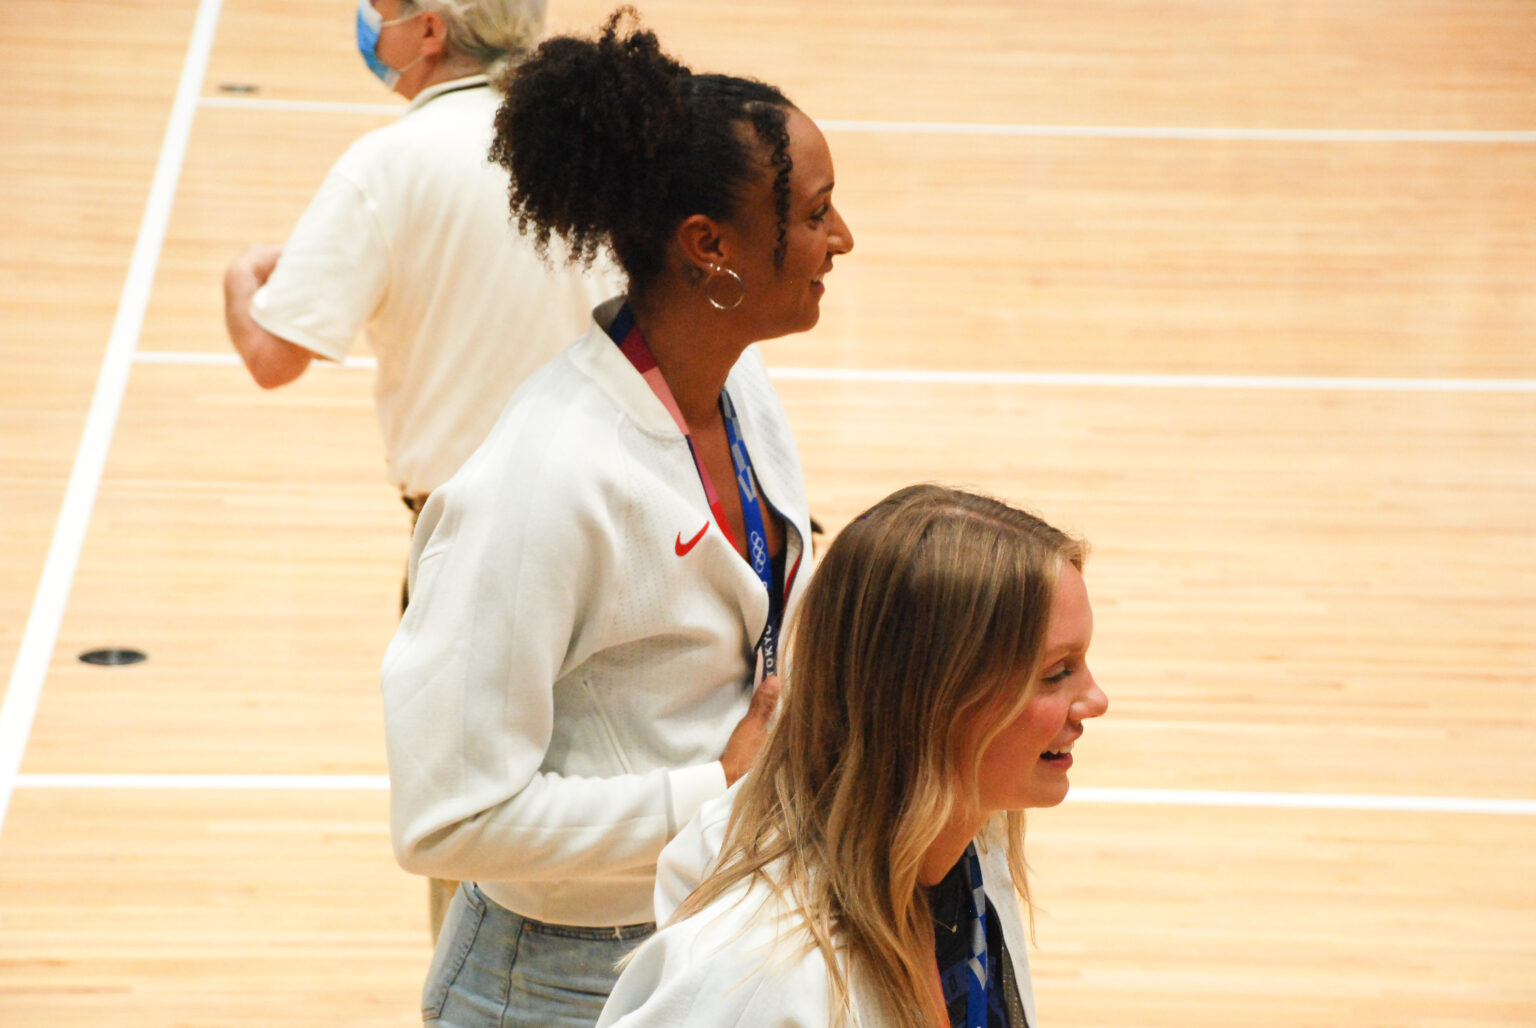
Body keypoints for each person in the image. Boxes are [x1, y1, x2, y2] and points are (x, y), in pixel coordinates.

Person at [379, 8, 854, 1026]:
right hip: (554, 980)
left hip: (706, 925)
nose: (841, 238)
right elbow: (445, 817)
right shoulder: (539, 483)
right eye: (817, 212)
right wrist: (711, 788)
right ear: (710, 247)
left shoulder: (741, 383)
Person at [220, 0, 616, 938]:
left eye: (384, 10)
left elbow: (275, 355)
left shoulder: (387, 164)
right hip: (624, 519)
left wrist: (240, 287)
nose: (368, 21)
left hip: (469, 541)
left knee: (472, 816)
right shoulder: (598, 141)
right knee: (620, 791)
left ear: (432, 31)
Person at [596, 484, 1111, 1028]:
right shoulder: (753, 976)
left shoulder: (966, 840)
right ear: (932, 702)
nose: (1096, 700)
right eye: (1057, 672)